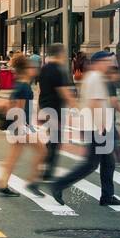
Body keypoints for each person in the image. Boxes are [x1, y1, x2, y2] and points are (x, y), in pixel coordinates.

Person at [41, 51, 120, 207]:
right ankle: (59, 184)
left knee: (108, 162)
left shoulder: (94, 77)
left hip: (97, 126)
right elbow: (95, 103)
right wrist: (101, 126)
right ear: (98, 62)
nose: (110, 64)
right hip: (97, 127)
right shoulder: (96, 78)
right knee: (90, 164)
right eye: (107, 61)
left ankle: (107, 195)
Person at [0, 55, 40, 197]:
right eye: (32, 67)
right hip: (20, 127)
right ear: (26, 69)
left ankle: (2, 184)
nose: (34, 70)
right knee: (43, 151)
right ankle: (32, 182)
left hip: (17, 128)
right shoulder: (24, 87)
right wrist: (22, 129)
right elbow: (18, 109)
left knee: (12, 158)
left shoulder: (19, 84)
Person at [36, 43, 75, 181]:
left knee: (51, 139)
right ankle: (47, 171)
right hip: (55, 109)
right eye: (64, 52)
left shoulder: (44, 69)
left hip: (45, 107)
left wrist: (38, 110)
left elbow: (39, 90)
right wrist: (75, 108)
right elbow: (63, 92)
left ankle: (42, 165)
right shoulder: (58, 70)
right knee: (55, 140)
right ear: (60, 53)